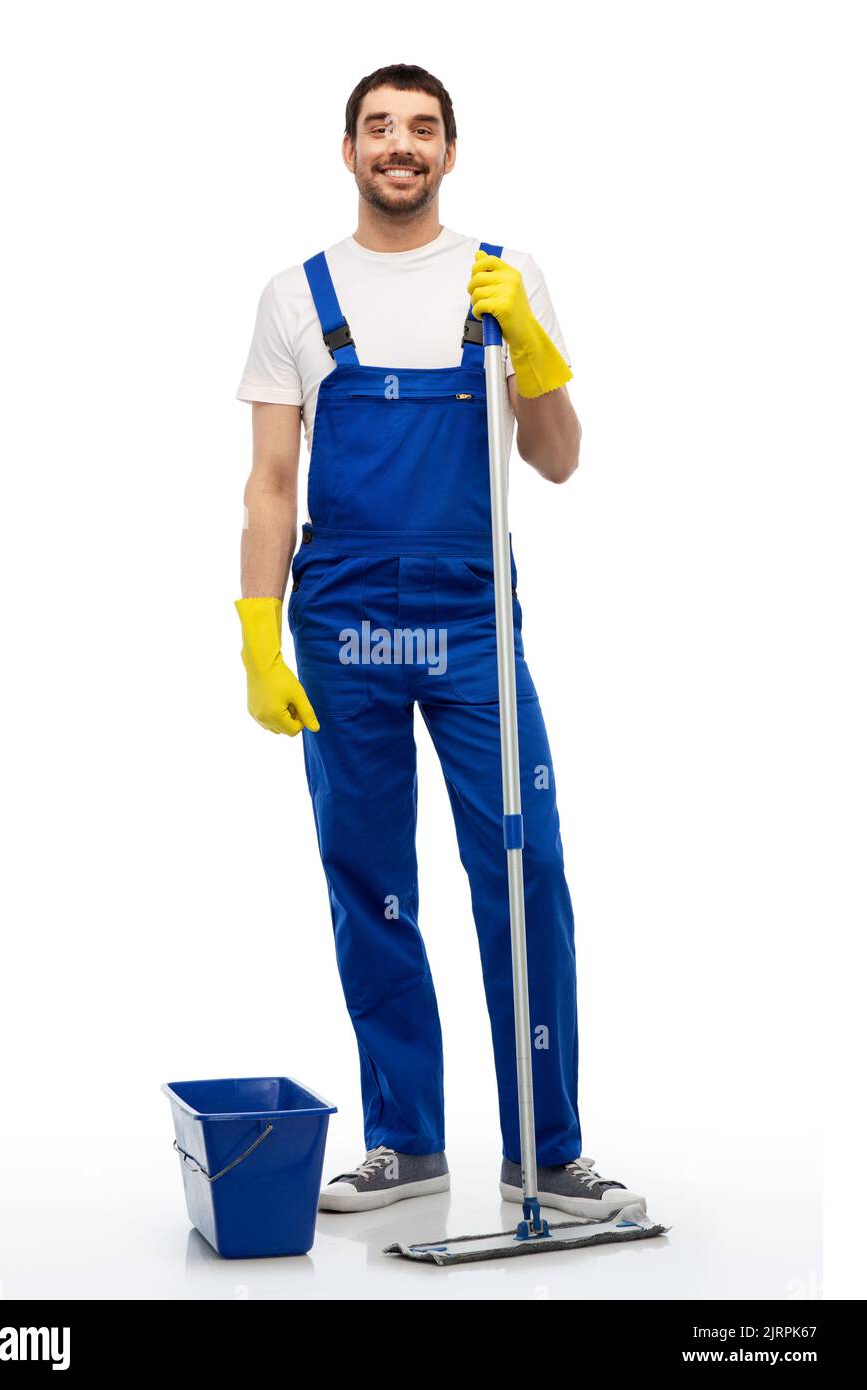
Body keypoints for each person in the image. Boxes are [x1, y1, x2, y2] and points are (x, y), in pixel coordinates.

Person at [235, 64, 646, 1220]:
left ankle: (546, 1151)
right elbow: (271, 485)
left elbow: (556, 460)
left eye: (421, 129)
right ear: (351, 149)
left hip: (471, 624)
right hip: (344, 622)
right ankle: (404, 1141)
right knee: (372, 883)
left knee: (526, 870)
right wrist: (259, 636)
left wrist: (534, 343)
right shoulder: (293, 295)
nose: (399, 146)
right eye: (379, 128)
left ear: (449, 152)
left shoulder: (500, 281)